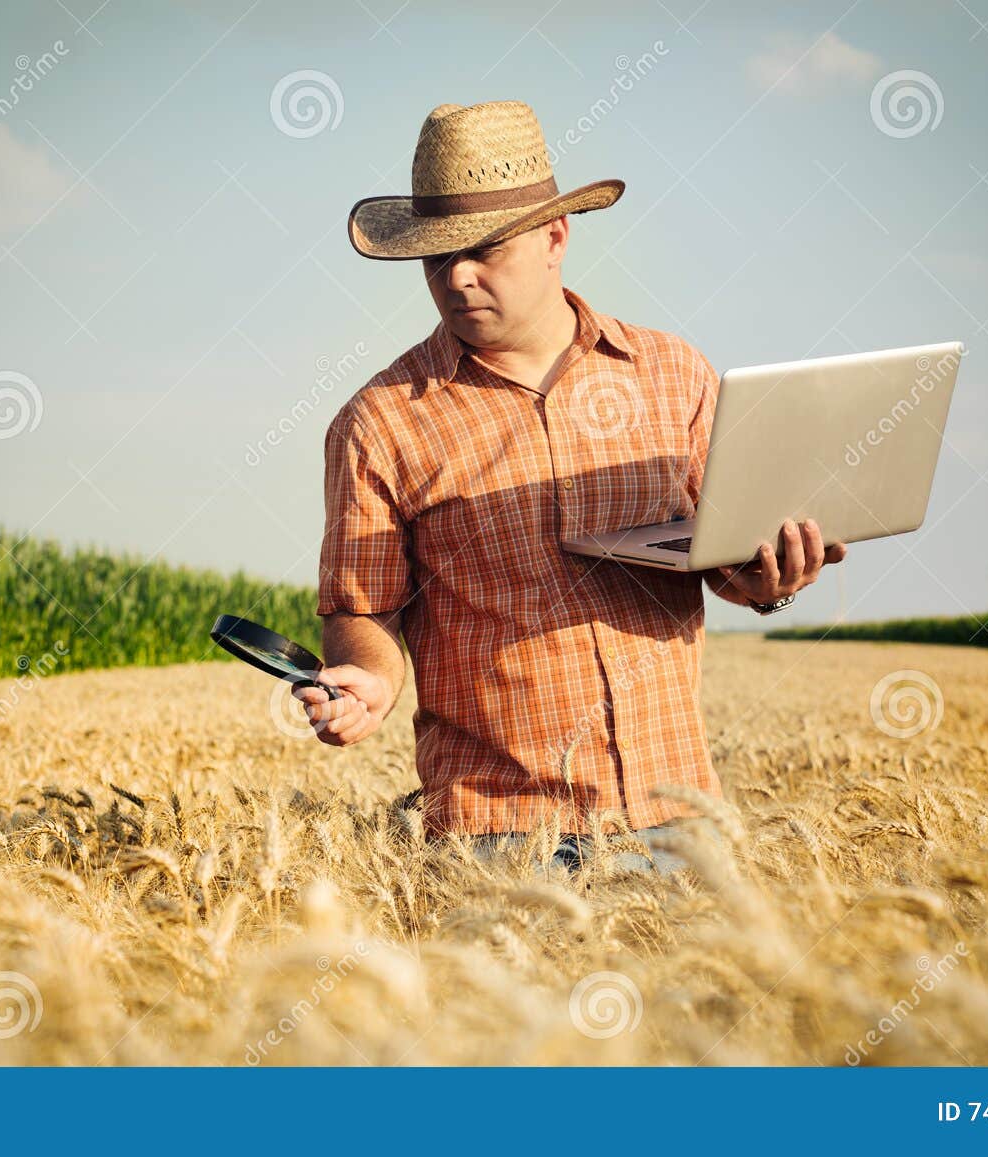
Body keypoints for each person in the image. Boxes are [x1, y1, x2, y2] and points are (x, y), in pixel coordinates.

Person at [294, 100, 846, 875]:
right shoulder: (378, 423)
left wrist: (768, 580)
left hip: (680, 821)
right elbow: (363, 608)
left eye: (483, 248)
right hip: (496, 843)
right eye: (434, 256)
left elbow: (727, 557)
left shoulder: (673, 374)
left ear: (556, 236)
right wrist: (370, 680)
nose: (456, 276)